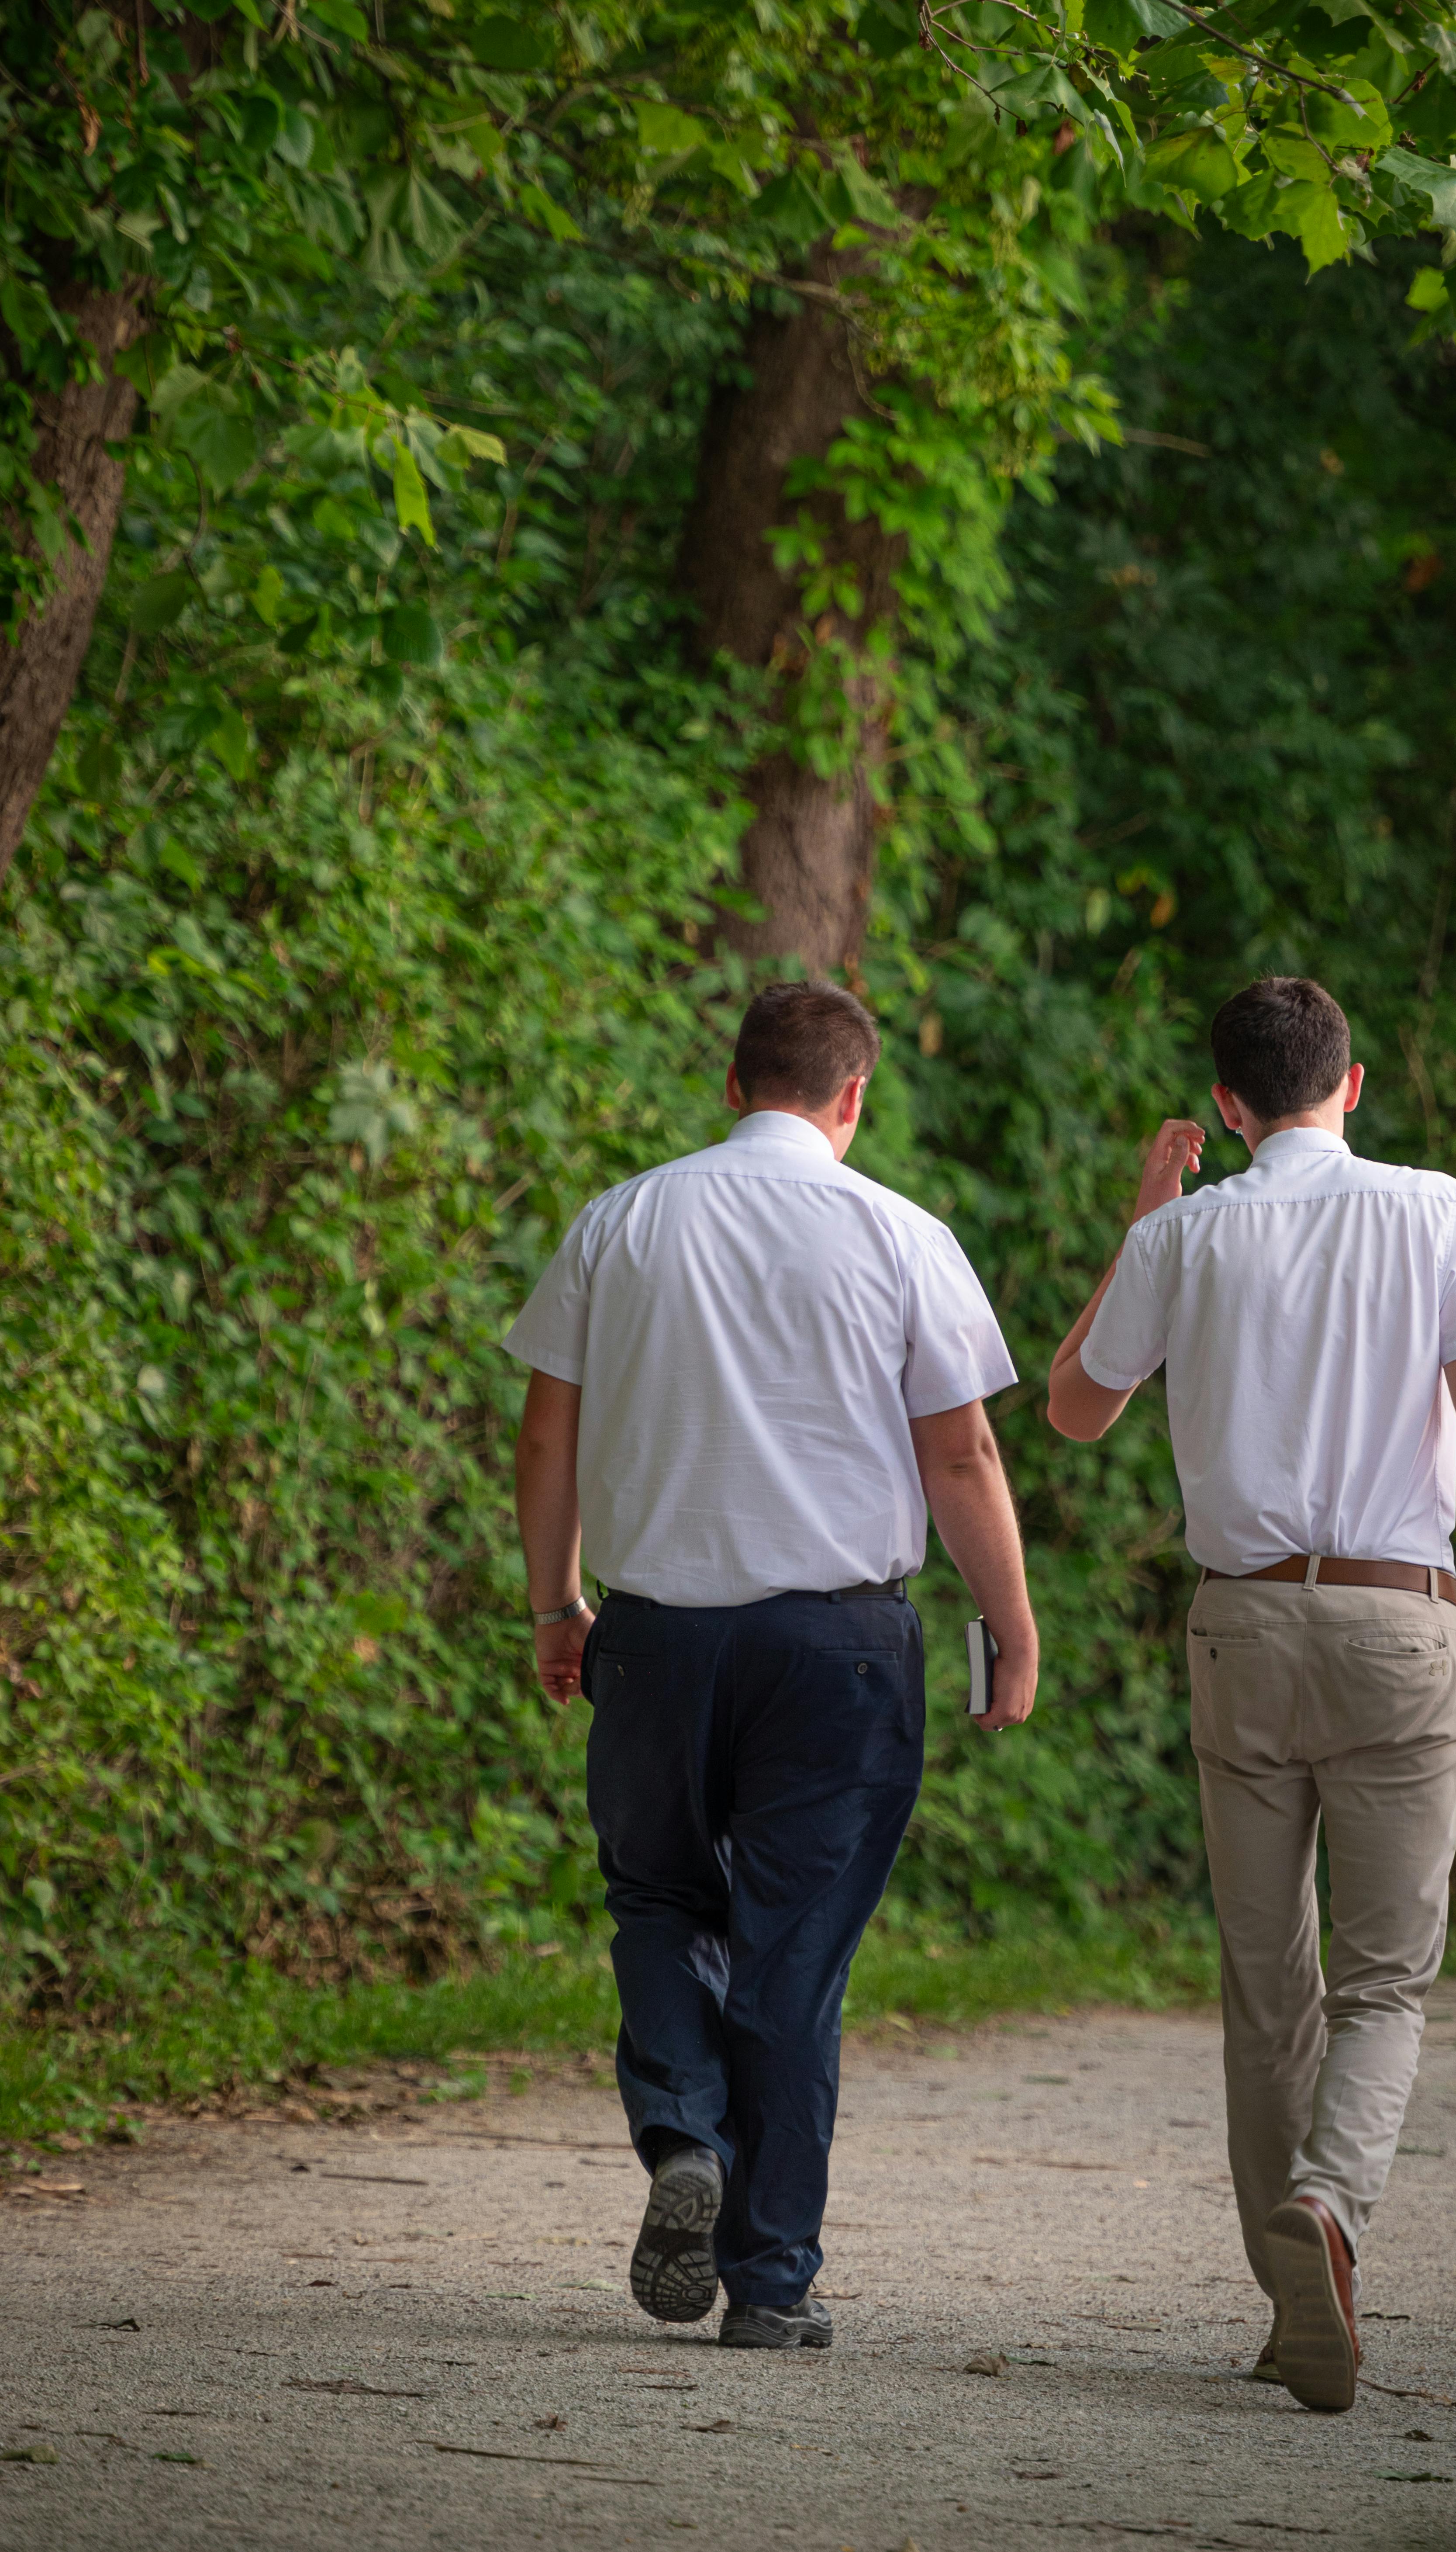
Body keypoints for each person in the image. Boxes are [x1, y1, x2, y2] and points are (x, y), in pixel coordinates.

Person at [1045, 976, 1456, 2415]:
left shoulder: (1183, 1232)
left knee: (1265, 1980)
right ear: (1352, 1087)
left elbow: (1073, 1404)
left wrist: (1144, 1214)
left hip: (1239, 1627)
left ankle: (1293, 2304)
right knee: (1387, 1976)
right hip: (1394, 1622)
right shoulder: (1432, 1209)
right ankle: (1332, 2213)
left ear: (1226, 1105)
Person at [504, 979, 1038, 2352]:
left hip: (656, 1634)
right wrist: (1014, 1626)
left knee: (658, 1896)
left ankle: (684, 2132)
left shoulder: (621, 1221)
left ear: (731, 1082)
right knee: (796, 1953)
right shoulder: (904, 1233)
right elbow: (963, 1453)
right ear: (854, 1097)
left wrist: (556, 1605)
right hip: (840, 1648)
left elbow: (545, 1439)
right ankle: (774, 2280)